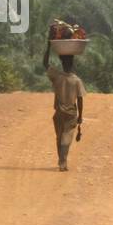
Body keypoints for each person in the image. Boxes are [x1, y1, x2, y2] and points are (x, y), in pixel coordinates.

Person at [42, 41, 85, 171]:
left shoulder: (57, 76)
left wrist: (49, 45)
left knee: (59, 137)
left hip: (59, 112)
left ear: (62, 64)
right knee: (66, 138)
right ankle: (63, 161)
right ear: (73, 64)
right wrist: (80, 117)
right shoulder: (76, 81)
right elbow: (80, 99)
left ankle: (61, 161)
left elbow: (45, 64)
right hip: (71, 113)